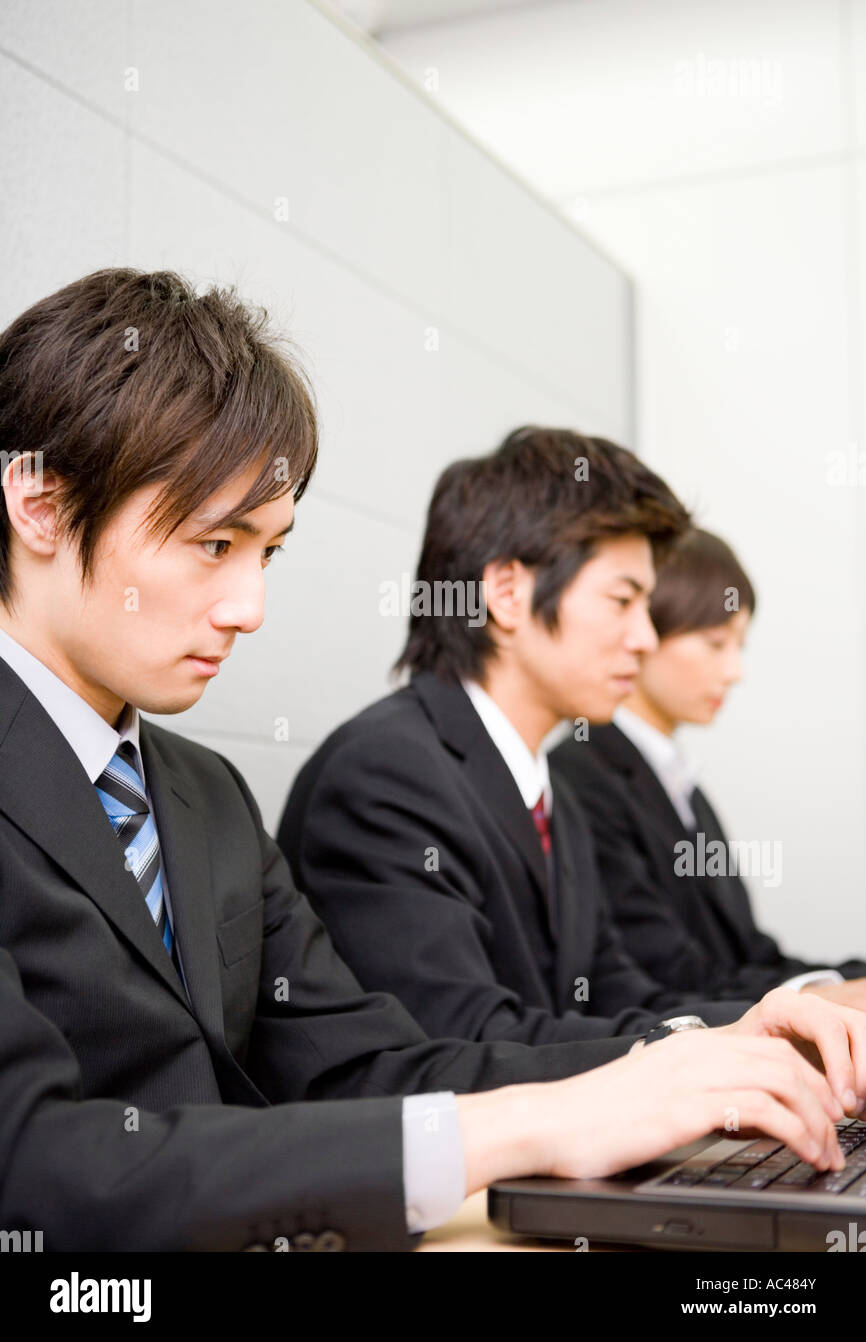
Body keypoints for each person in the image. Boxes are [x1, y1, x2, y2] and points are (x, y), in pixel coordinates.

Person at [0, 269, 860, 1254]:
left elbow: (360, 1065)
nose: (249, 606)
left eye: (267, 553)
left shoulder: (206, 795)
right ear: (41, 501)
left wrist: (687, 1060)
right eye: (213, 543)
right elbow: (30, 1158)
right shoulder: (383, 773)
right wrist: (535, 1121)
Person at [278, 429, 866, 1050]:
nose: (644, 637)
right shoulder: (386, 772)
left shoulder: (547, 789)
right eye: (623, 600)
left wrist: (794, 1020)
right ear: (507, 594)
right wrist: (732, 1052)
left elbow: (630, 1000)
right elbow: (463, 1045)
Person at [548, 527, 866, 1003]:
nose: (735, 671)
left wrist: (847, 981)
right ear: (647, 633)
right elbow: (671, 976)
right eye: (717, 644)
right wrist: (830, 998)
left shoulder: (681, 785)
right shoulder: (578, 778)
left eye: (741, 646)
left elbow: (747, 953)